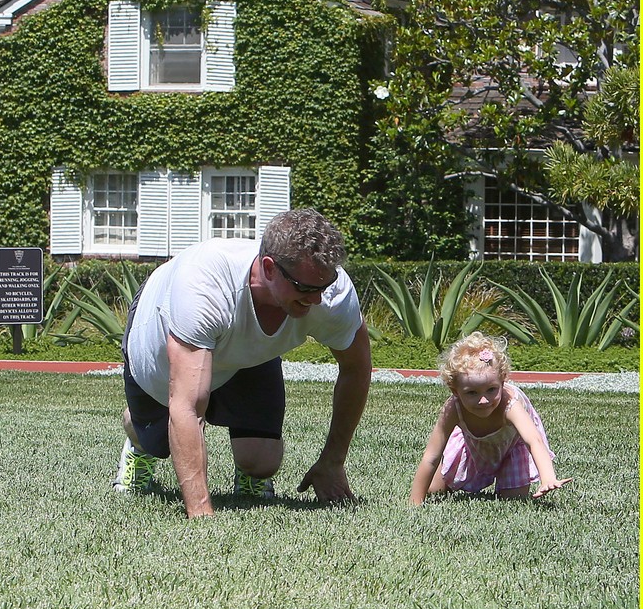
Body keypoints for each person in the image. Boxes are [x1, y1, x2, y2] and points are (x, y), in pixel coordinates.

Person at [113, 208, 372, 519]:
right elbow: (187, 406)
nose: (317, 300)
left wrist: (333, 460)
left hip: (246, 349)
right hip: (156, 337)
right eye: (305, 289)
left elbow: (356, 368)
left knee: (261, 462)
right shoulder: (205, 285)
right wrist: (201, 514)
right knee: (158, 440)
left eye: (324, 287)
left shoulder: (327, 289)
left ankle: (248, 469)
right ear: (269, 268)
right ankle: (138, 440)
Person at [409, 332, 571, 505]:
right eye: (472, 393)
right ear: (455, 391)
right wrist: (414, 502)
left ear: (502, 381)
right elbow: (431, 457)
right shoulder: (453, 408)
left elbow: (534, 440)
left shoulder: (510, 404)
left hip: (512, 448)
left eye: (491, 390)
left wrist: (547, 477)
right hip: (473, 446)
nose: (483, 400)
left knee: (513, 500)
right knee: (434, 490)